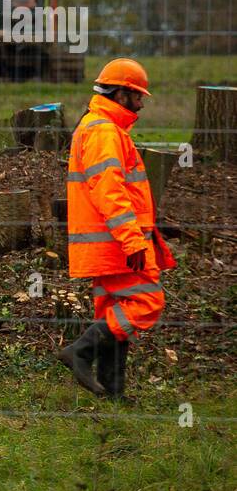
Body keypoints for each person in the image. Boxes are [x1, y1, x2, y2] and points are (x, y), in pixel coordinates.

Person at [59, 58, 174, 398]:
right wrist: (133, 241)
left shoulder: (101, 128)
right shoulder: (104, 132)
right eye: (138, 96)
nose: (141, 103)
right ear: (122, 94)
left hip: (108, 244)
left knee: (114, 313)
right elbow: (109, 191)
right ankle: (80, 351)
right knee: (147, 302)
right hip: (118, 245)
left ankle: (113, 392)